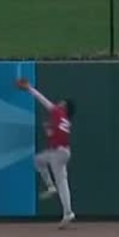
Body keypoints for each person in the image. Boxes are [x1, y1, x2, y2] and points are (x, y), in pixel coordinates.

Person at [16, 77, 76, 228]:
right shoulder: (65, 120)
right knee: (39, 161)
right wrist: (50, 130)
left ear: (65, 107)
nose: (59, 103)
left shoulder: (57, 111)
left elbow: (42, 99)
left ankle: (65, 209)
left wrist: (29, 88)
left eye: (62, 103)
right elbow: (57, 134)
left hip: (58, 152)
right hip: (63, 152)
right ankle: (65, 208)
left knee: (60, 182)